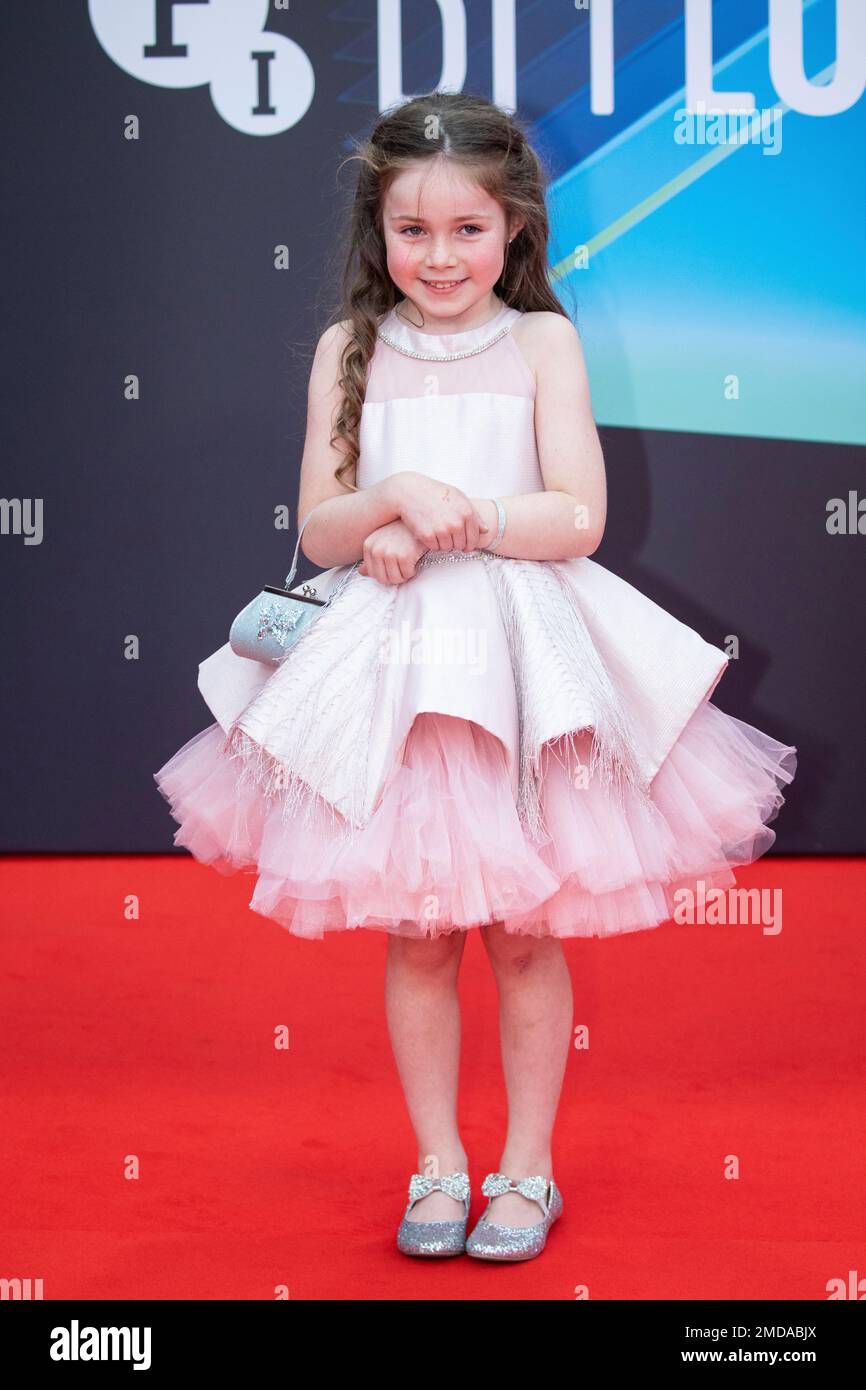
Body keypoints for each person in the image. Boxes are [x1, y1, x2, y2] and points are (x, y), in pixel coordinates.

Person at [153, 91, 797, 1264]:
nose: (439, 256)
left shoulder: (542, 340)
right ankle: (437, 1162)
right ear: (375, 235)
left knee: (521, 933)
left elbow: (578, 515)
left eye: (466, 230)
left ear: (512, 230)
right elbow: (325, 519)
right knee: (415, 934)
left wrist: (461, 517)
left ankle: (528, 1167)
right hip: (393, 674)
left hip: (518, 669)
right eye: (412, 232)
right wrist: (390, 506)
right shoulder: (350, 349)